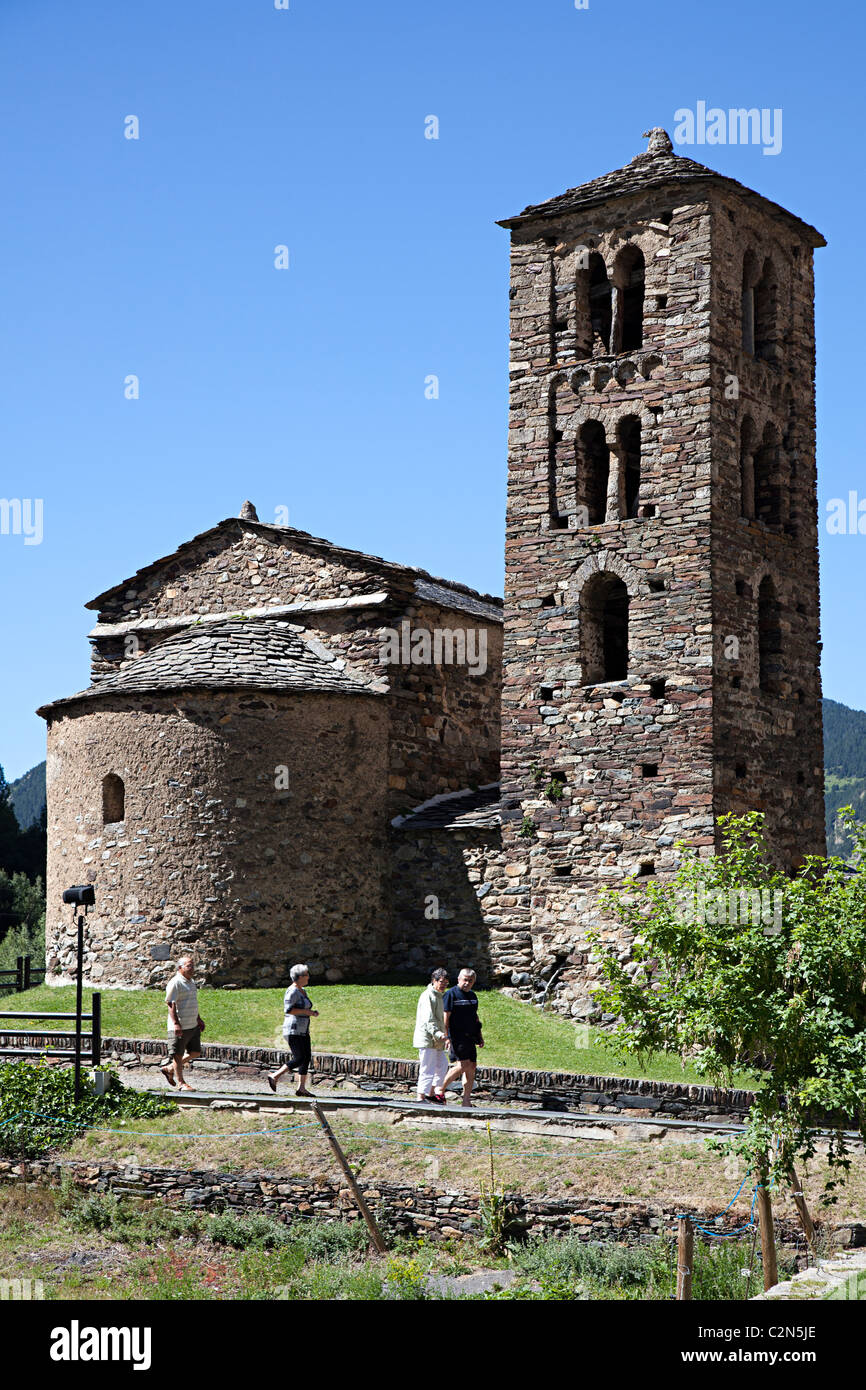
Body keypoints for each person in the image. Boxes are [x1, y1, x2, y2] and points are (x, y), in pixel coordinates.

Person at [267, 963, 318, 1095]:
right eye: (306, 975)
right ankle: (275, 1076)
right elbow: (289, 1010)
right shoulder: (293, 990)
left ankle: (301, 1088)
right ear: (300, 976)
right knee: (299, 1057)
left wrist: (311, 1013)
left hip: (303, 1029)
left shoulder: (302, 990)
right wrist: (307, 1012)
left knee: (306, 1058)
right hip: (293, 1029)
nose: (308, 977)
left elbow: (303, 1009)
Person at [161, 954, 206, 1092]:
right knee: (178, 1055)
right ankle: (181, 1083)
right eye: (189, 966)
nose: (192, 968)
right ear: (180, 968)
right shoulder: (175, 982)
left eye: (193, 965)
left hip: (192, 1024)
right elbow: (170, 1004)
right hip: (180, 1026)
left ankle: (169, 1069)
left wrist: (198, 1019)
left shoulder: (191, 982)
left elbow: (192, 1002)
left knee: (196, 1052)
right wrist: (175, 1023)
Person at [441, 967, 484, 1107]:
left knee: (471, 1066)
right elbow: (445, 1017)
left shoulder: (473, 996)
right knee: (462, 1065)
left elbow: (475, 1018)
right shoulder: (451, 994)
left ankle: (466, 1100)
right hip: (457, 1036)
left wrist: (480, 1036)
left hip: (470, 1036)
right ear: (459, 979)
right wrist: (446, 1036)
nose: (467, 983)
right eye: (465, 980)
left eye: (470, 981)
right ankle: (439, 1090)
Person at [413, 967, 449, 1103]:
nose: (444, 985)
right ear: (434, 981)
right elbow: (429, 1019)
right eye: (441, 982)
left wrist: (443, 1034)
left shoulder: (439, 996)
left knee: (442, 1065)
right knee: (427, 1068)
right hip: (427, 1039)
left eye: (446, 982)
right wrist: (439, 1034)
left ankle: (431, 1093)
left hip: (437, 1040)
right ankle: (420, 1097)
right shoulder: (427, 995)